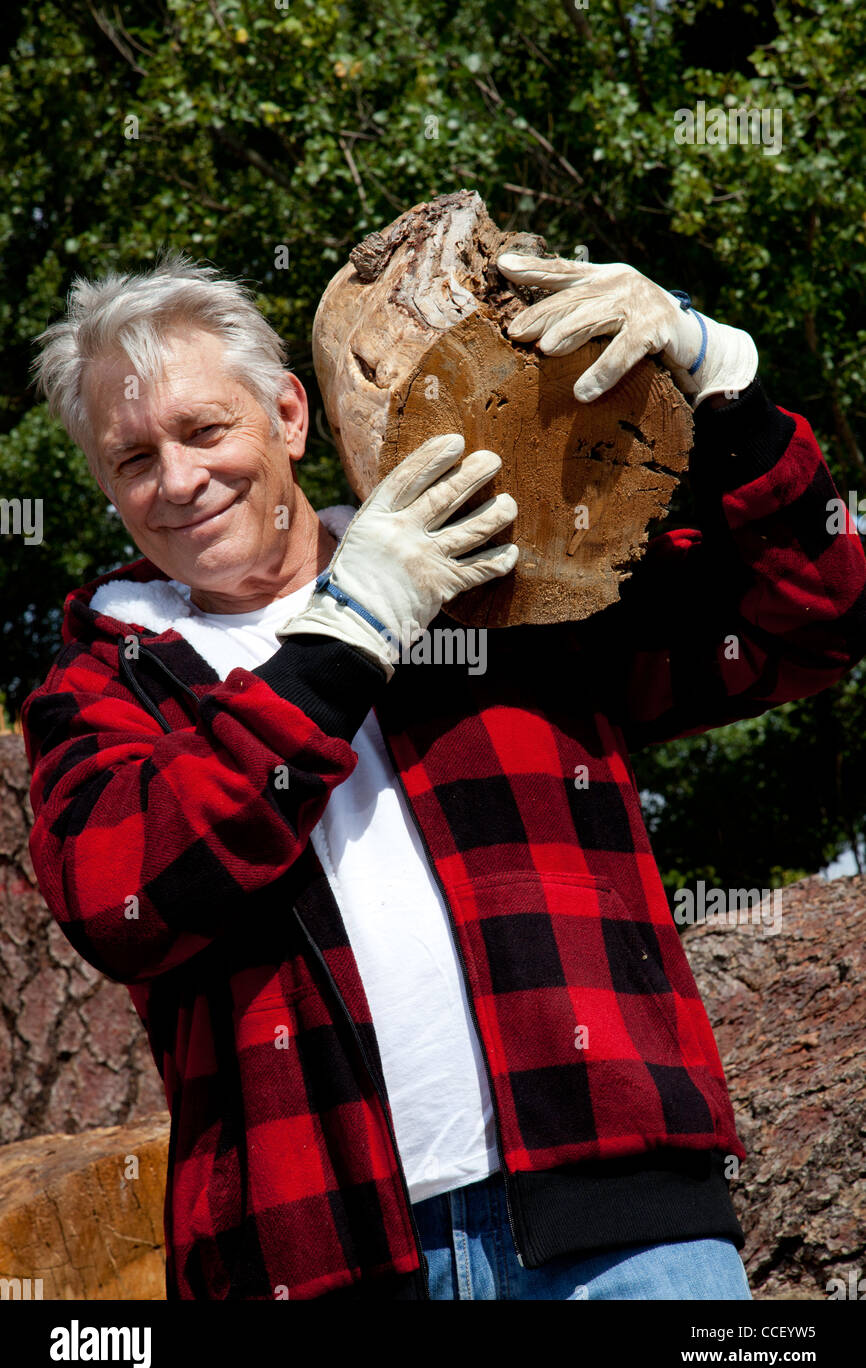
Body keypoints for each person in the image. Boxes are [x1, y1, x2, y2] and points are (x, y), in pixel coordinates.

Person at [21, 249, 866, 1301]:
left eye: (205, 430)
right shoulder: (100, 679)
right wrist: (353, 626)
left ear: (288, 416)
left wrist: (714, 371)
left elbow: (806, 621)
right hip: (316, 1257)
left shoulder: (490, 575)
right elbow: (124, 902)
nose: (179, 480)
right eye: (133, 459)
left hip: (617, 1220)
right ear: (105, 485)